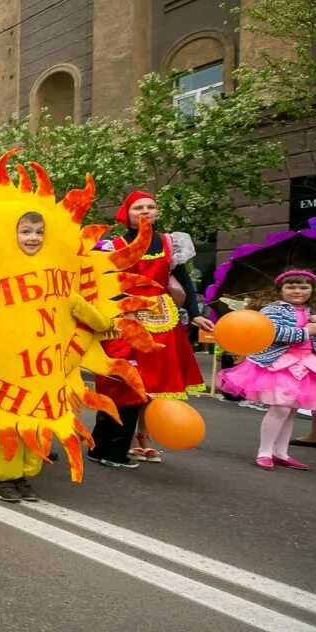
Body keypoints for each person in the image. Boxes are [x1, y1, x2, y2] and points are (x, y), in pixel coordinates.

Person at [0, 212, 119, 501]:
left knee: (34, 420)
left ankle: (25, 472)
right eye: (26, 231)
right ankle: (1, 476)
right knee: (4, 419)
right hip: (5, 364)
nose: (33, 238)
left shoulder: (54, 271)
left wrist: (105, 324)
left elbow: (77, 305)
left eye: (39, 232)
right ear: (11, 235)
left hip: (41, 367)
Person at [91, 191, 214, 467]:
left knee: (154, 385)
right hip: (126, 318)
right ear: (127, 213)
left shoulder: (171, 243)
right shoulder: (113, 246)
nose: (145, 211)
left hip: (161, 320)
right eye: (138, 207)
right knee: (123, 383)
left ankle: (140, 438)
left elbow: (184, 281)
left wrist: (195, 315)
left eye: (151, 207)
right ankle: (107, 446)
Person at [218, 269, 316, 471]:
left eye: (303, 287)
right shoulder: (273, 309)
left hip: (306, 363)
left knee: (291, 409)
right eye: (291, 287)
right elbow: (271, 332)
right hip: (279, 362)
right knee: (280, 407)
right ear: (280, 290)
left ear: (312, 290)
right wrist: (307, 331)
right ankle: (264, 452)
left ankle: (281, 453)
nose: (297, 291)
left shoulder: (312, 312)